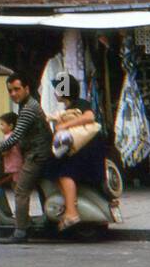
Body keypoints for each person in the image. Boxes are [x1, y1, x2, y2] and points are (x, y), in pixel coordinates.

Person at [0, 74, 52, 243]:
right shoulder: (26, 105)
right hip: (36, 152)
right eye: (10, 91)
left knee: (21, 190)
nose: (13, 93)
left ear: (26, 89)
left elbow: (16, 136)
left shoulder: (28, 108)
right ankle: (44, 222)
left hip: (37, 154)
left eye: (17, 89)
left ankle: (20, 232)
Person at [45, 78, 109, 231]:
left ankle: (72, 213)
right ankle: (70, 203)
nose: (55, 92)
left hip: (89, 146)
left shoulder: (79, 103)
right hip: (82, 147)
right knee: (53, 166)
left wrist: (64, 125)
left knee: (64, 172)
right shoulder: (68, 108)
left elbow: (89, 117)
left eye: (57, 89)